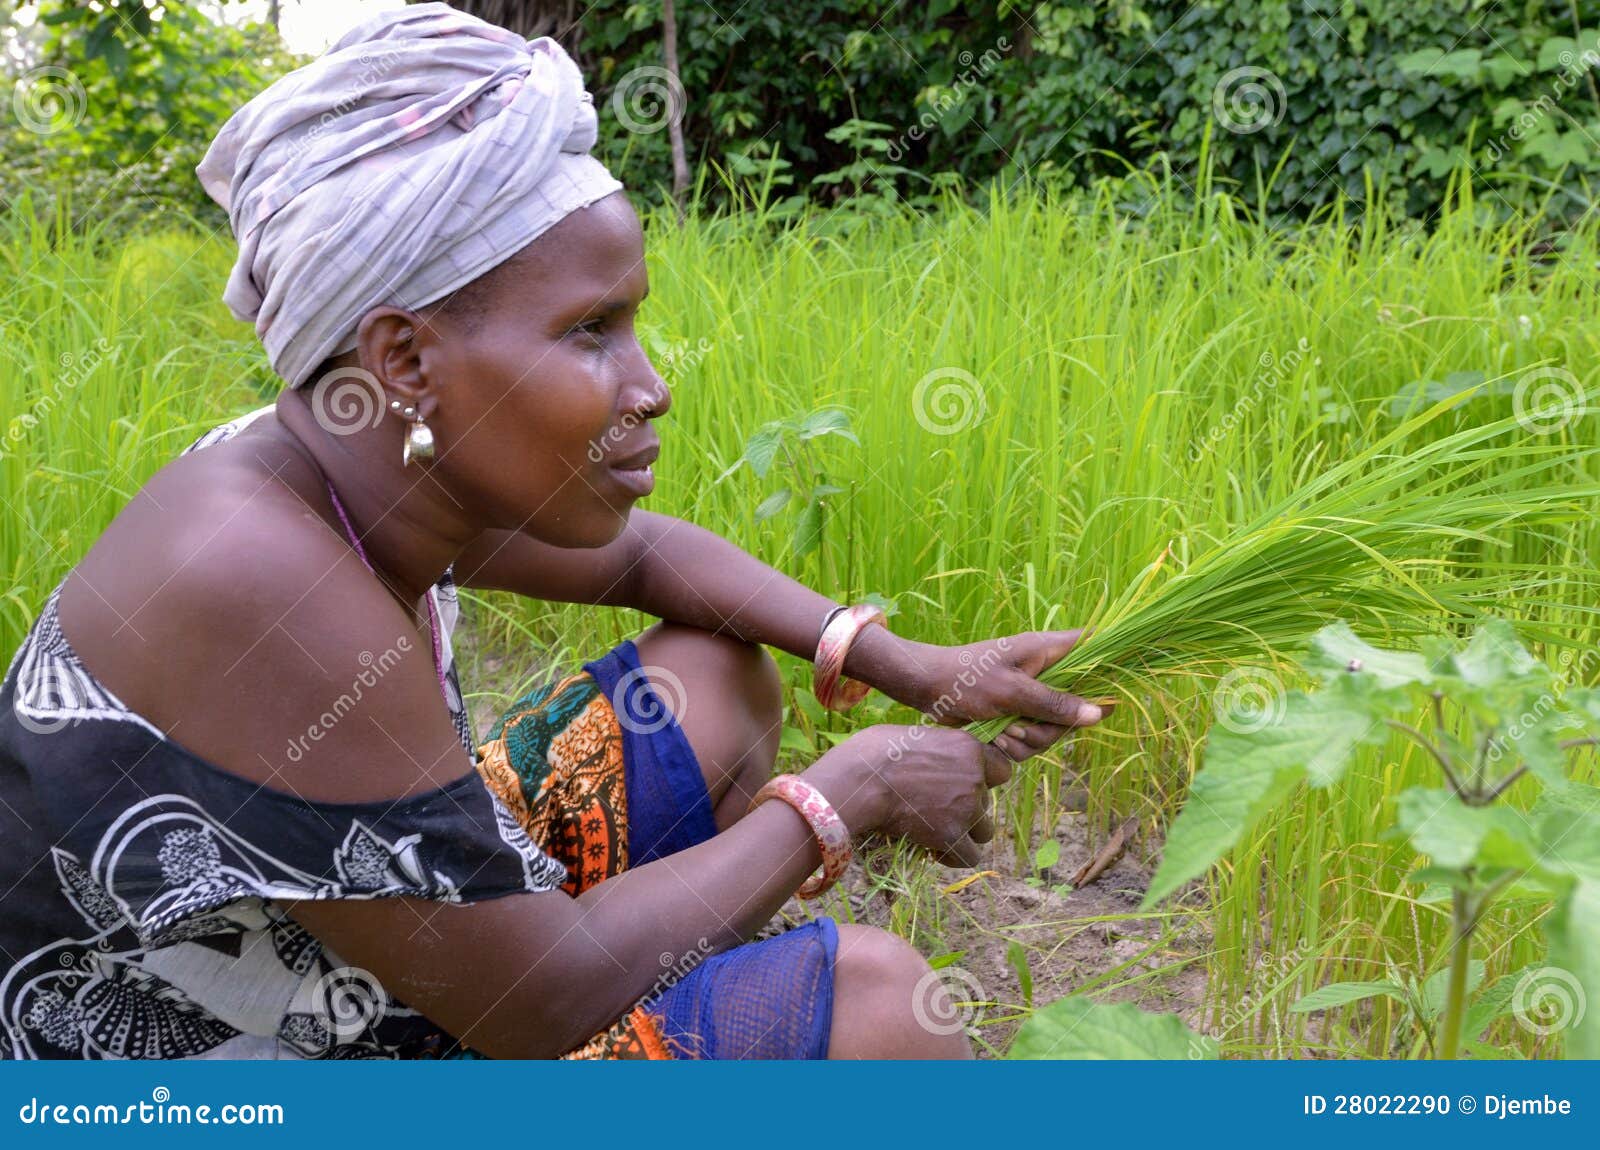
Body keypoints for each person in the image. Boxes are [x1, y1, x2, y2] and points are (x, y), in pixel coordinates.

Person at [0, 3, 1101, 1060]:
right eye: (590, 332)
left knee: (712, 671)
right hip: (201, 1066)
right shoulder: (260, 579)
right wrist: (846, 793)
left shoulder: (337, 454)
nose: (651, 385)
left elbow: (637, 557)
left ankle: (694, 983)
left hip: (357, 958)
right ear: (405, 359)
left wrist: (896, 660)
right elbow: (530, 1006)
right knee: (883, 1011)